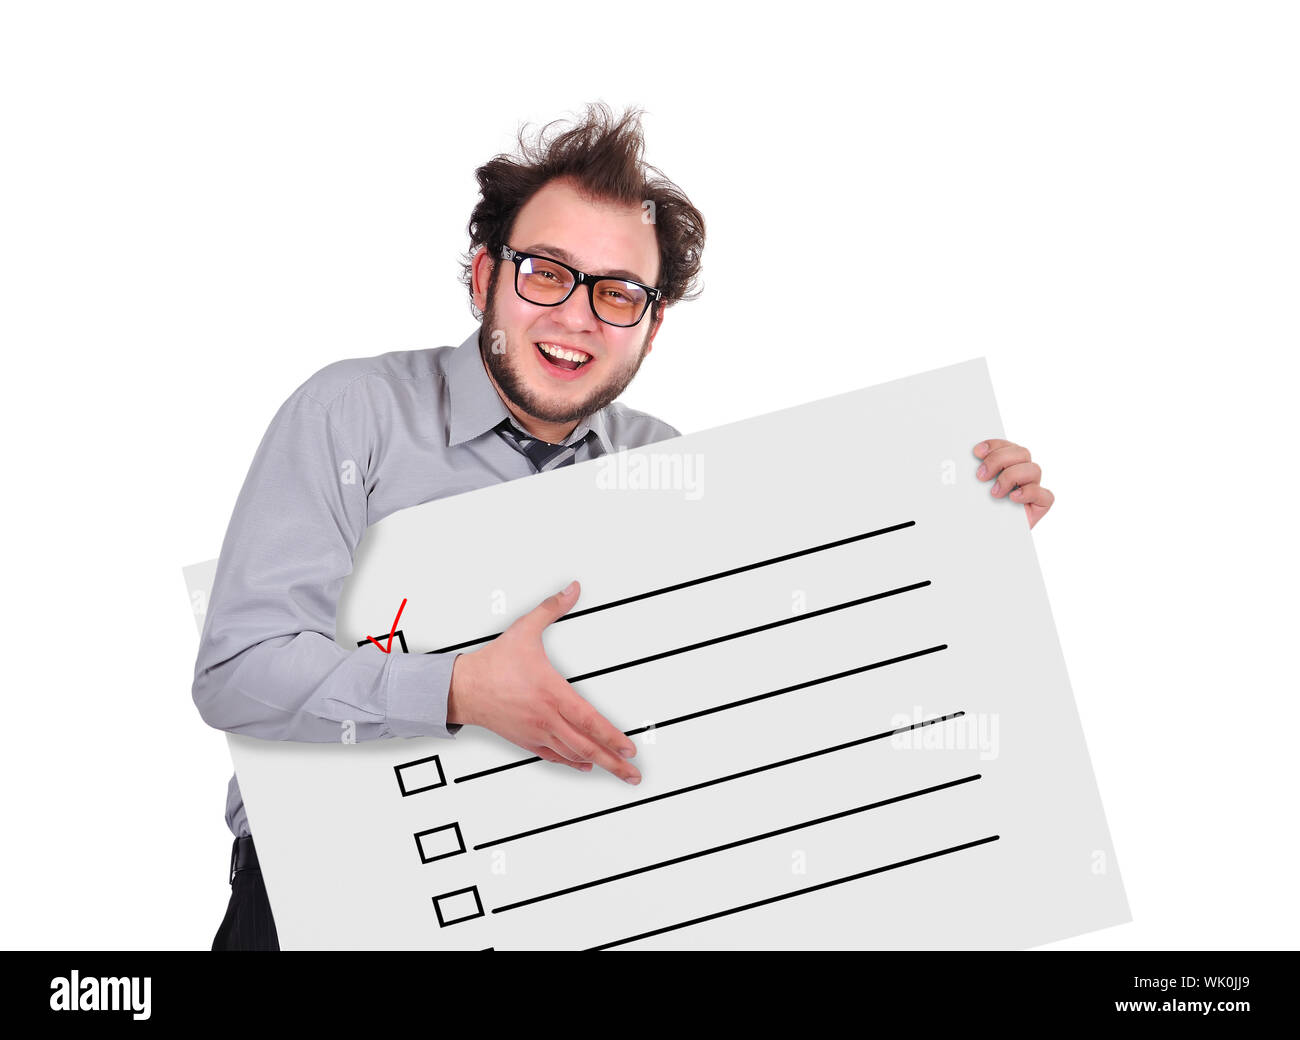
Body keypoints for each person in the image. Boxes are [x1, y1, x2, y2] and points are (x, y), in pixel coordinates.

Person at [193, 102, 1054, 951]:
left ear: (652, 325)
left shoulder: (671, 468)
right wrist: (458, 690)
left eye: (617, 294)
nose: (576, 317)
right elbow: (237, 672)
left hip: (577, 898)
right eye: (546, 273)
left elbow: (772, 675)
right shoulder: (356, 413)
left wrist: (966, 535)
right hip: (328, 896)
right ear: (484, 275)